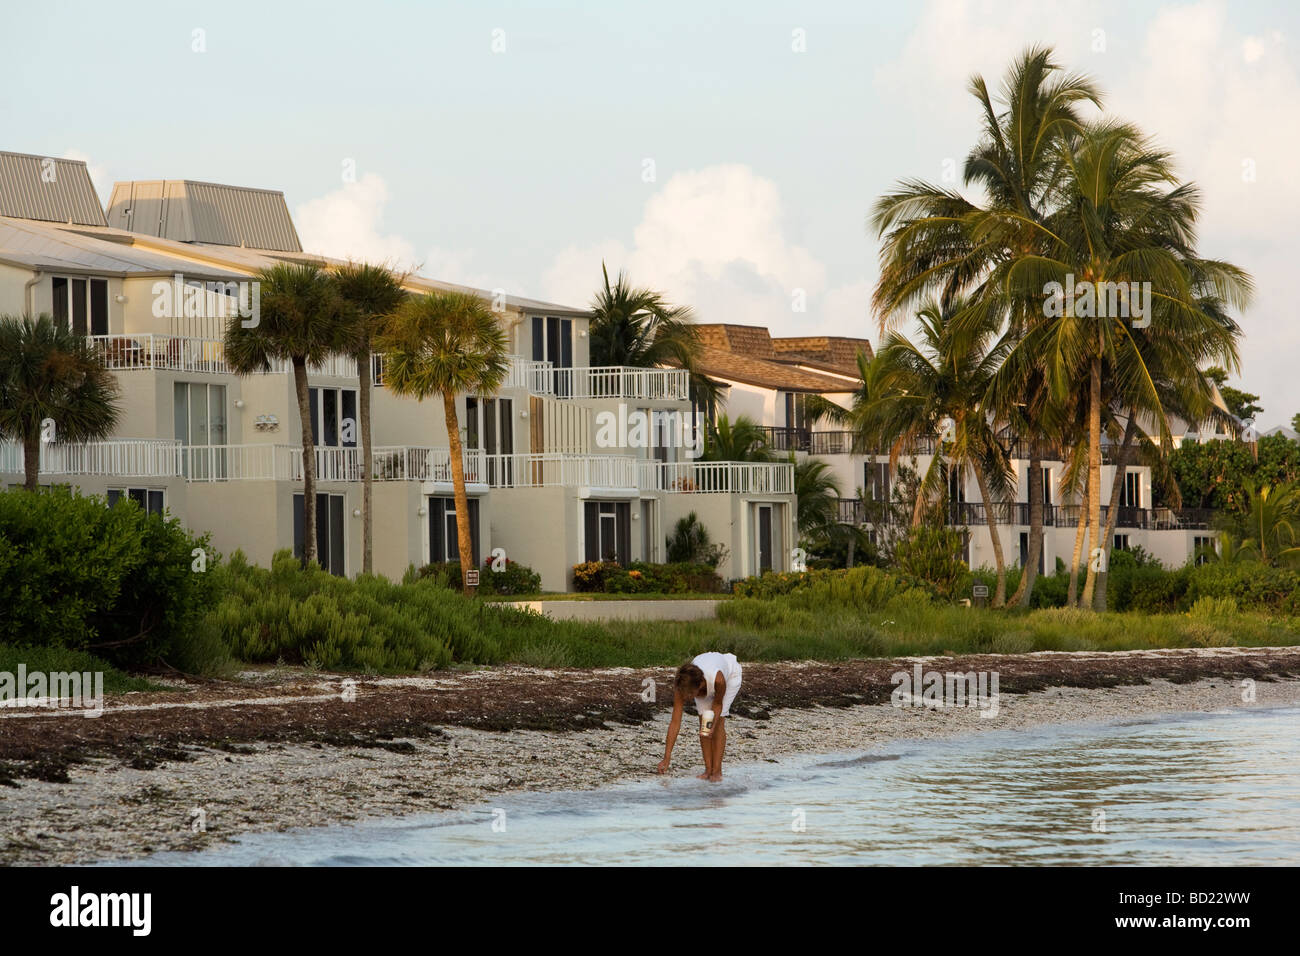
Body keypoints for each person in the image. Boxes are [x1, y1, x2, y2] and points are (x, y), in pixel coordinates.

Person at [656, 651, 743, 781]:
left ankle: (717, 771)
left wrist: (712, 726)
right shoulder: (682, 685)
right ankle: (708, 770)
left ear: (700, 685)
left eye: (689, 694)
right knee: (704, 725)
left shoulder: (718, 679)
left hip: (730, 676)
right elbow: (675, 722)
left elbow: (717, 704)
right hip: (703, 675)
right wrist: (666, 757)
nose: (686, 698)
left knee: (717, 723)